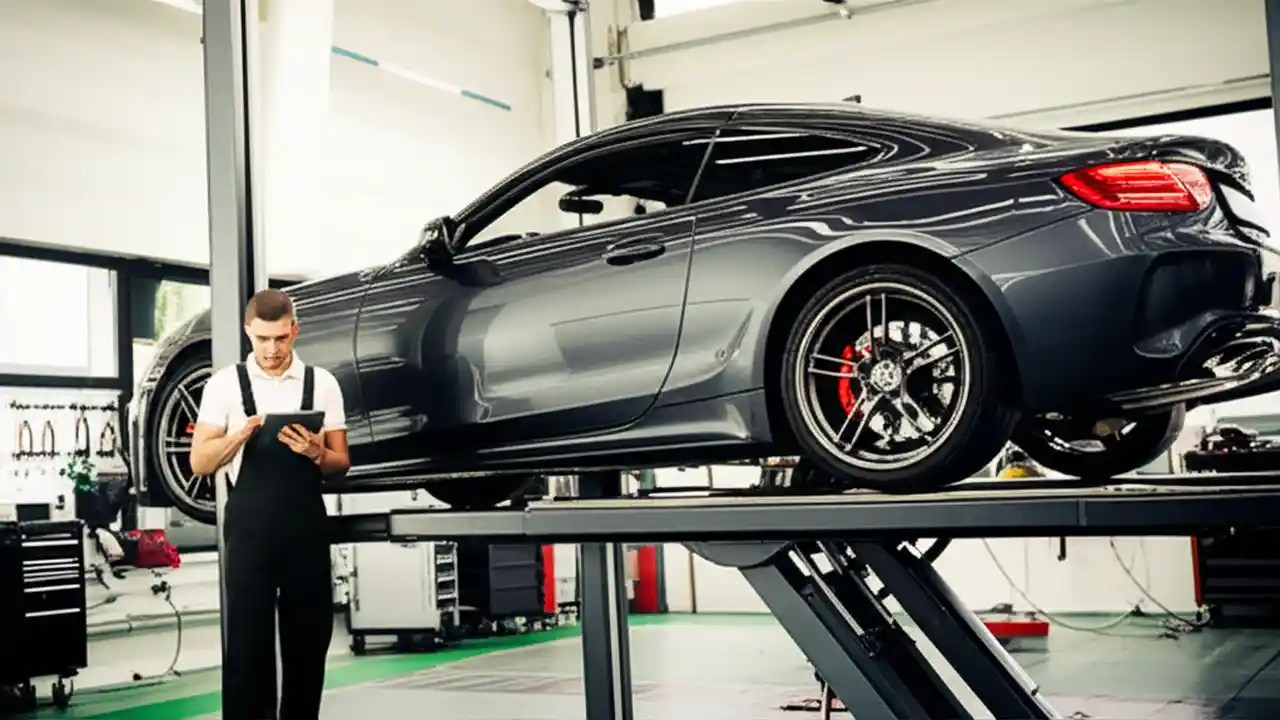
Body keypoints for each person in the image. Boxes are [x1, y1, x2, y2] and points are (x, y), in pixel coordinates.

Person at [189, 288, 350, 719]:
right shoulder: (224, 385)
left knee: (307, 644)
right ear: (249, 333)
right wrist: (239, 435)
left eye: (281, 338)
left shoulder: (322, 384)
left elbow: (342, 462)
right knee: (247, 647)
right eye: (263, 339)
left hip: (305, 531)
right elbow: (200, 461)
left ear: (294, 330)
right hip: (249, 532)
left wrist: (318, 452)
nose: (273, 349)